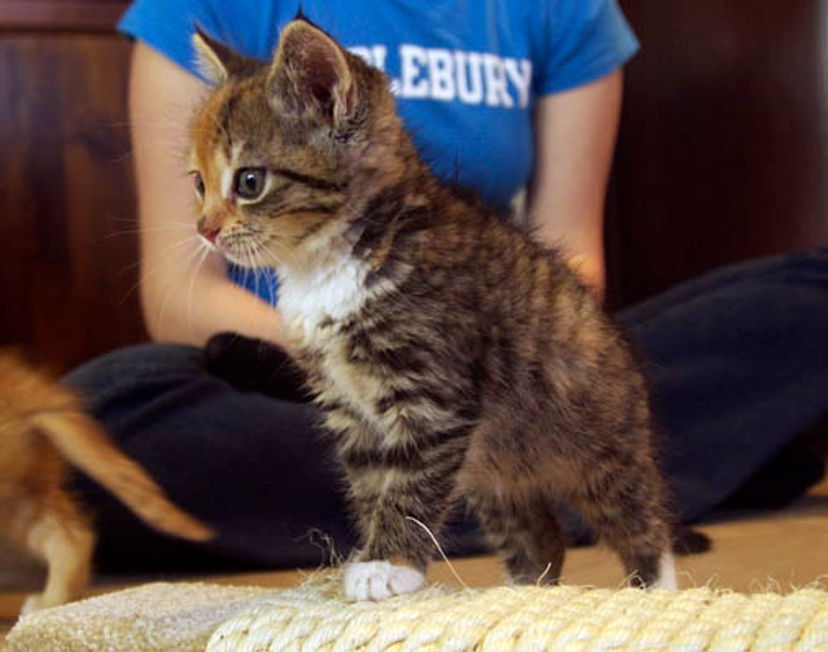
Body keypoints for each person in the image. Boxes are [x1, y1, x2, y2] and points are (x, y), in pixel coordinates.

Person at [65, 0, 828, 573]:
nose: (210, 212)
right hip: (282, 375)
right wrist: (355, 362)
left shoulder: (563, 7)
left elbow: (574, 264)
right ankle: (658, 468)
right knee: (103, 410)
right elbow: (176, 295)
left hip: (506, 358)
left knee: (803, 296)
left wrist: (464, 362)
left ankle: (493, 484)